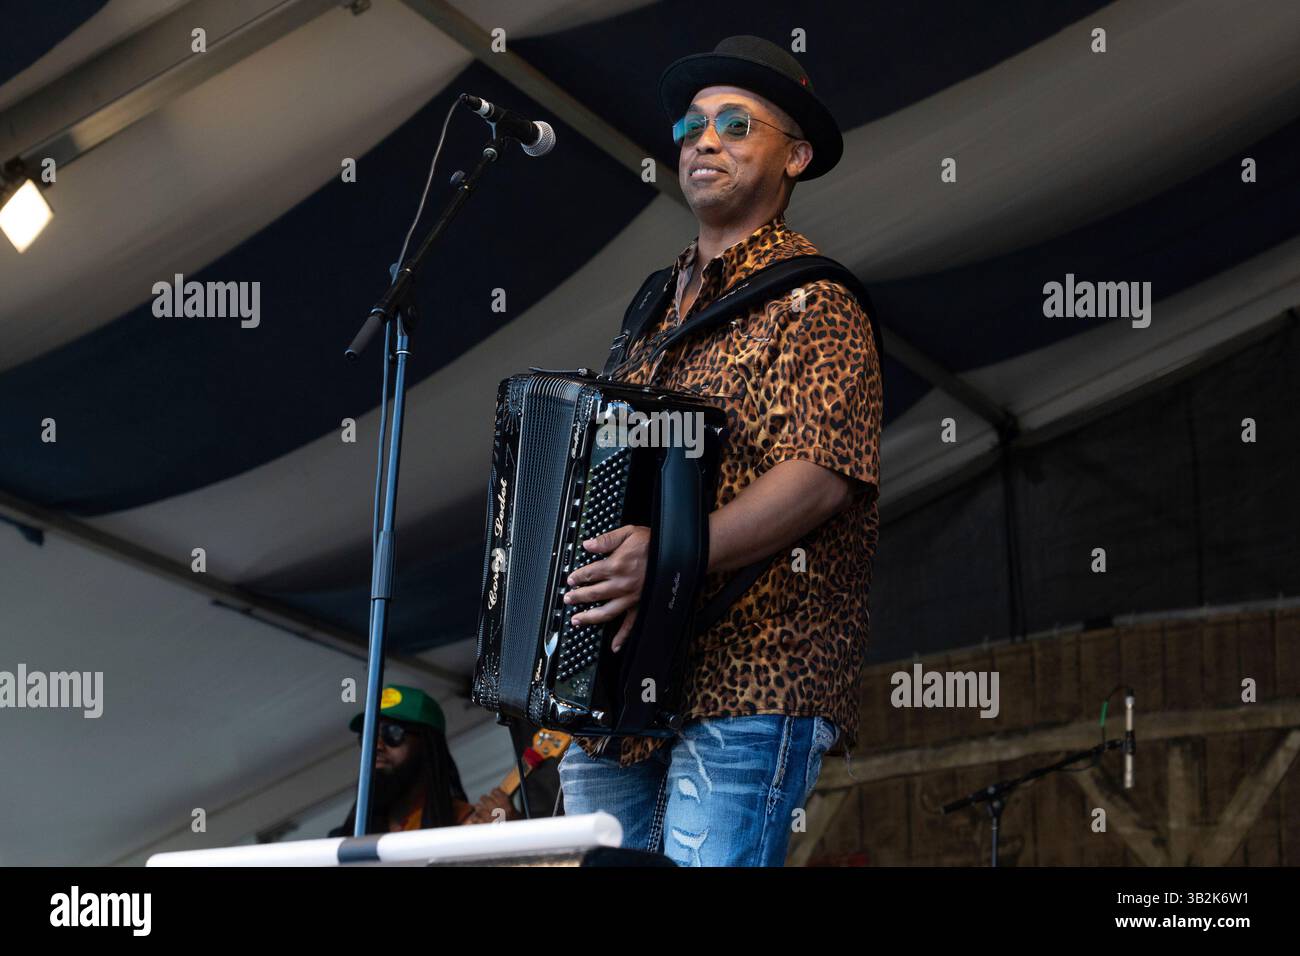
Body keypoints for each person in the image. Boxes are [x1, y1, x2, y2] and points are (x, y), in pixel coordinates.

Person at [557, 35, 883, 866]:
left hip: (752, 673)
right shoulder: (649, 310)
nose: (704, 140)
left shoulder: (816, 300)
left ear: (795, 157)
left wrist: (667, 554)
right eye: (692, 125)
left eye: (737, 124)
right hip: (621, 680)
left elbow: (820, 475)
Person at [330, 684, 516, 836]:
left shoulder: (467, 823)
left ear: (428, 746)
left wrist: (514, 831)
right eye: (368, 736)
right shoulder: (348, 836)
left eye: (392, 733)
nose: (376, 746)